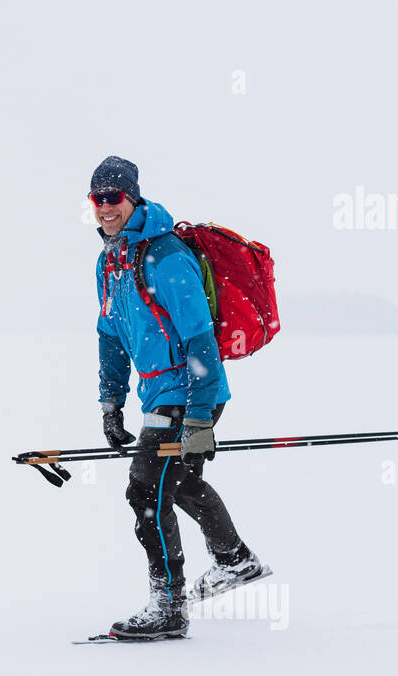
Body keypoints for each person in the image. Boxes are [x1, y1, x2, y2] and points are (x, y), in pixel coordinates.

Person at [90, 155, 269, 640]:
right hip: (160, 394)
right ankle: (234, 559)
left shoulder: (165, 256)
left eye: (114, 198)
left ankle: (168, 606)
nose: (105, 208)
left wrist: (197, 420)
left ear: (133, 198)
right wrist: (111, 404)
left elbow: (199, 337)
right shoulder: (111, 262)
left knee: (144, 491)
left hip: (189, 392)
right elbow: (110, 335)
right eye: (97, 199)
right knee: (180, 483)